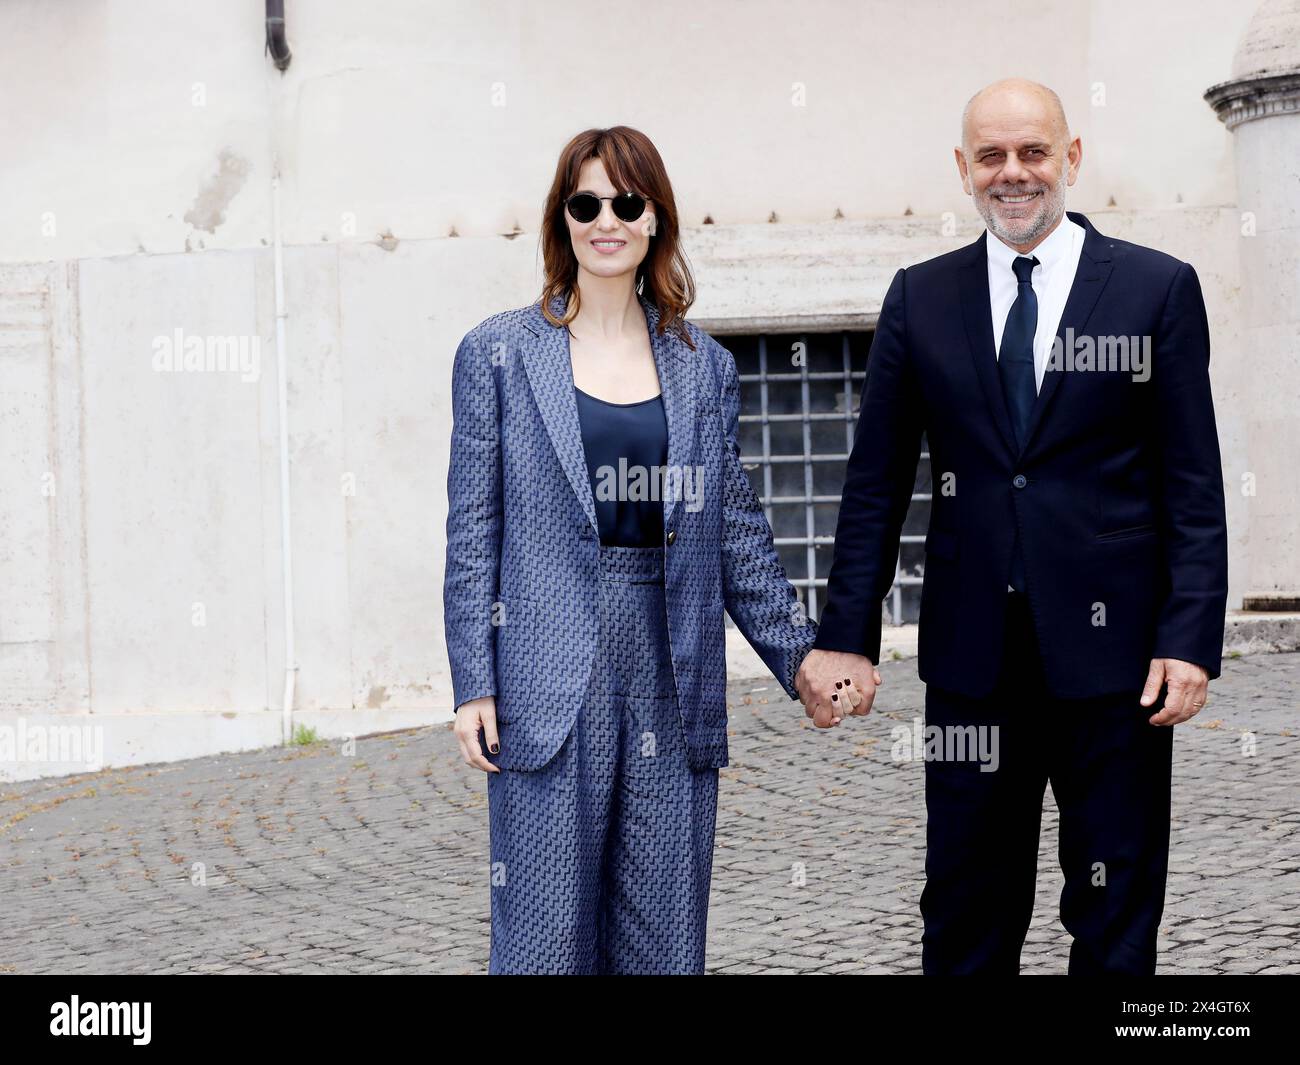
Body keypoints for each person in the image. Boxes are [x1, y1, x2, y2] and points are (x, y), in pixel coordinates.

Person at [796, 78, 1229, 975]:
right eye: (991, 155)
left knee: (1114, 910)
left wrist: (1189, 638)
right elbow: (875, 481)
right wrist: (846, 635)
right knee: (965, 905)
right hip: (971, 662)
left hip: (1118, 668)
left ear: (1072, 158)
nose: (1013, 173)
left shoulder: (1156, 290)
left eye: (1033, 151)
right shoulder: (921, 298)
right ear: (963, 169)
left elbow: (1192, 482)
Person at [444, 126, 821, 974]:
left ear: (656, 220)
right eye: (586, 203)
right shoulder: (498, 353)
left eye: (626, 202)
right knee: (543, 941)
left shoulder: (703, 366)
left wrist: (800, 660)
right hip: (547, 670)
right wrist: (474, 680)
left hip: (670, 663)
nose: (605, 219)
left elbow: (734, 532)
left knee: (662, 939)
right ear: (562, 219)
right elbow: (472, 531)